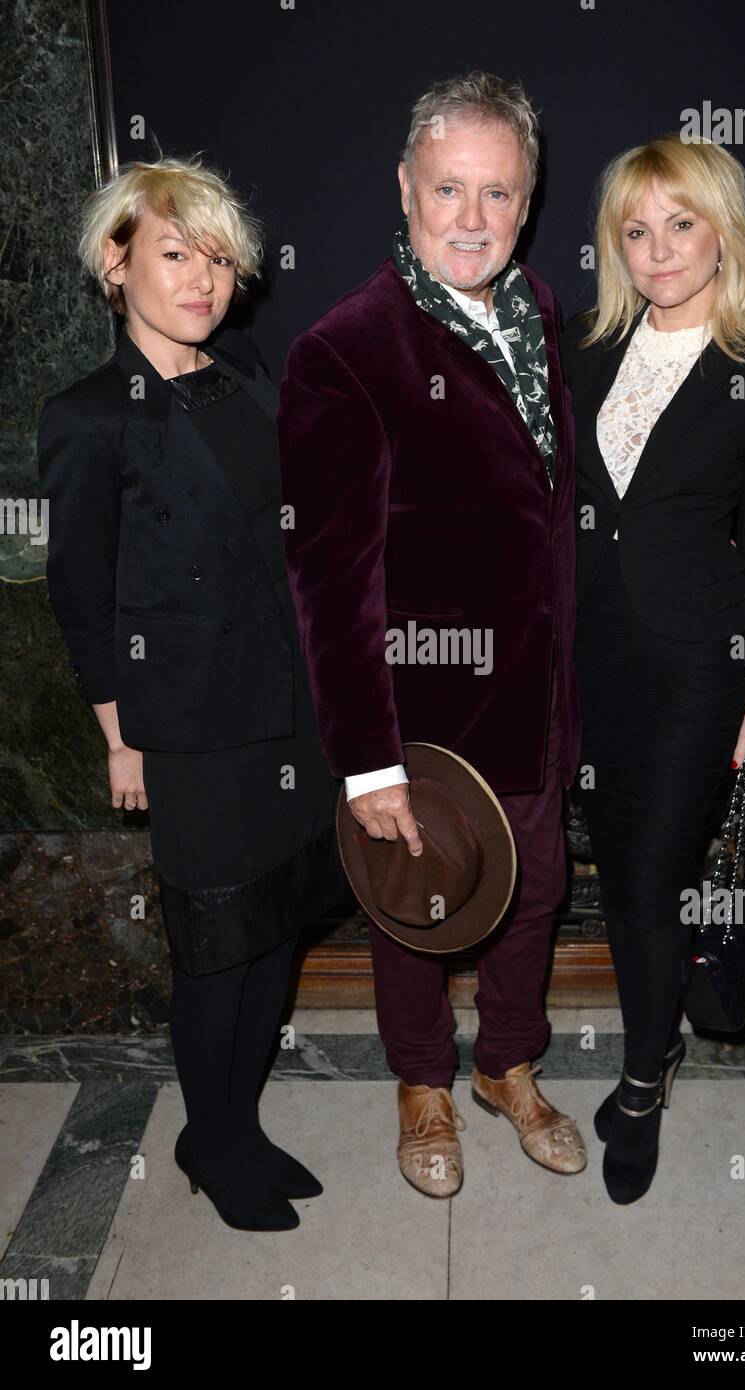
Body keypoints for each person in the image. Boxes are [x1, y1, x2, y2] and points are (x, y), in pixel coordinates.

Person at [278, 71, 585, 1197]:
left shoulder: (538, 309)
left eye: (495, 193)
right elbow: (330, 576)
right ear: (404, 188)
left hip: (538, 705)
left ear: (526, 200)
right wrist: (366, 762)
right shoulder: (344, 349)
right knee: (416, 915)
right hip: (422, 722)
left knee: (536, 891)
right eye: (447, 188)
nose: (470, 217)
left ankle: (507, 1062)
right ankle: (421, 1083)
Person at [38, 155, 345, 1231]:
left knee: (276, 927)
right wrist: (121, 741)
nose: (202, 279)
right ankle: (210, 1141)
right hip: (192, 722)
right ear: (116, 264)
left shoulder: (247, 371)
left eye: (217, 258)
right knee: (217, 944)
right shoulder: (86, 417)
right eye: (175, 254)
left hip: (292, 702)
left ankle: (236, 1121)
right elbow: (80, 595)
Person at [562, 133, 745, 1204]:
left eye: (679, 223)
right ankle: (649, 1046)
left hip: (697, 664)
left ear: (722, 232)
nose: (657, 248)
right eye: (635, 229)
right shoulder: (587, 351)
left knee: (640, 877)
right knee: (620, 871)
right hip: (593, 652)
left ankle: (636, 1080)